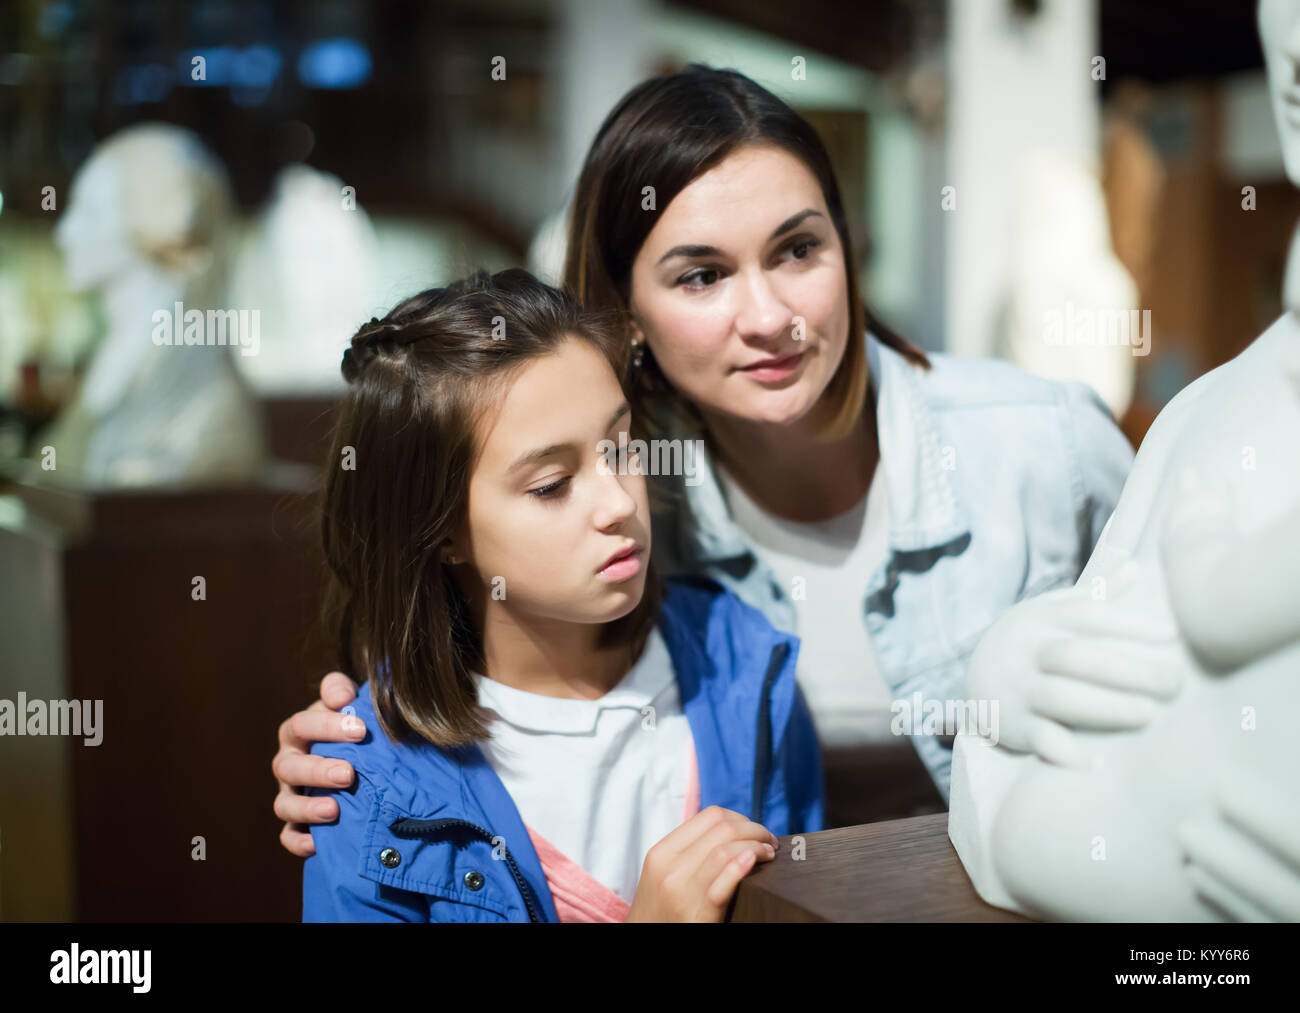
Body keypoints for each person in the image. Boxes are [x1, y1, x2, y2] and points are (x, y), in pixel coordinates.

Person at [275, 64, 1133, 844]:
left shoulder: (1045, 444)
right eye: (701, 276)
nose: (767, 315)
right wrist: (347, 752)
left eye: (799, 249)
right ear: (629, 316)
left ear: (847, 245)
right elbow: (470, 661)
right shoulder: (627, 505)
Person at [300, 268, 822, 922]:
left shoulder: (748, 666)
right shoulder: (368, 784)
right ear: (440, 533)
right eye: (551, 484)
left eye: (620, 448)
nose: (616, 501)